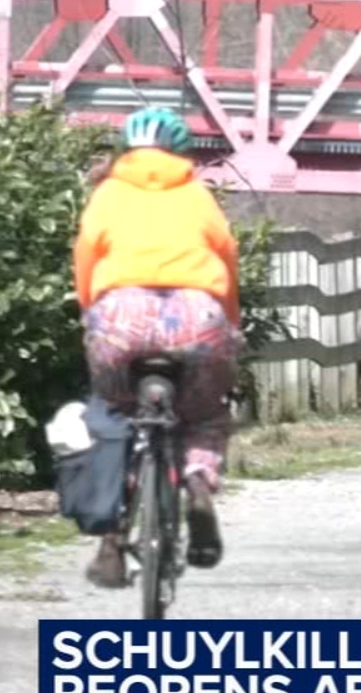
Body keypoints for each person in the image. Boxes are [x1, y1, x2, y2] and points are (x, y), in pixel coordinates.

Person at [71, 106, 243, 588]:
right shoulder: (196, 195)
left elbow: (86, 256)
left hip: (120, 317)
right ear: (179, 151)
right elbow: (226, 258)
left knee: (115, 418)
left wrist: (92, 311)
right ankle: (197, 484)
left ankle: (110, 546)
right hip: (195, 315)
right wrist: (229, 320)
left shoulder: (108, 194)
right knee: (204, 415)